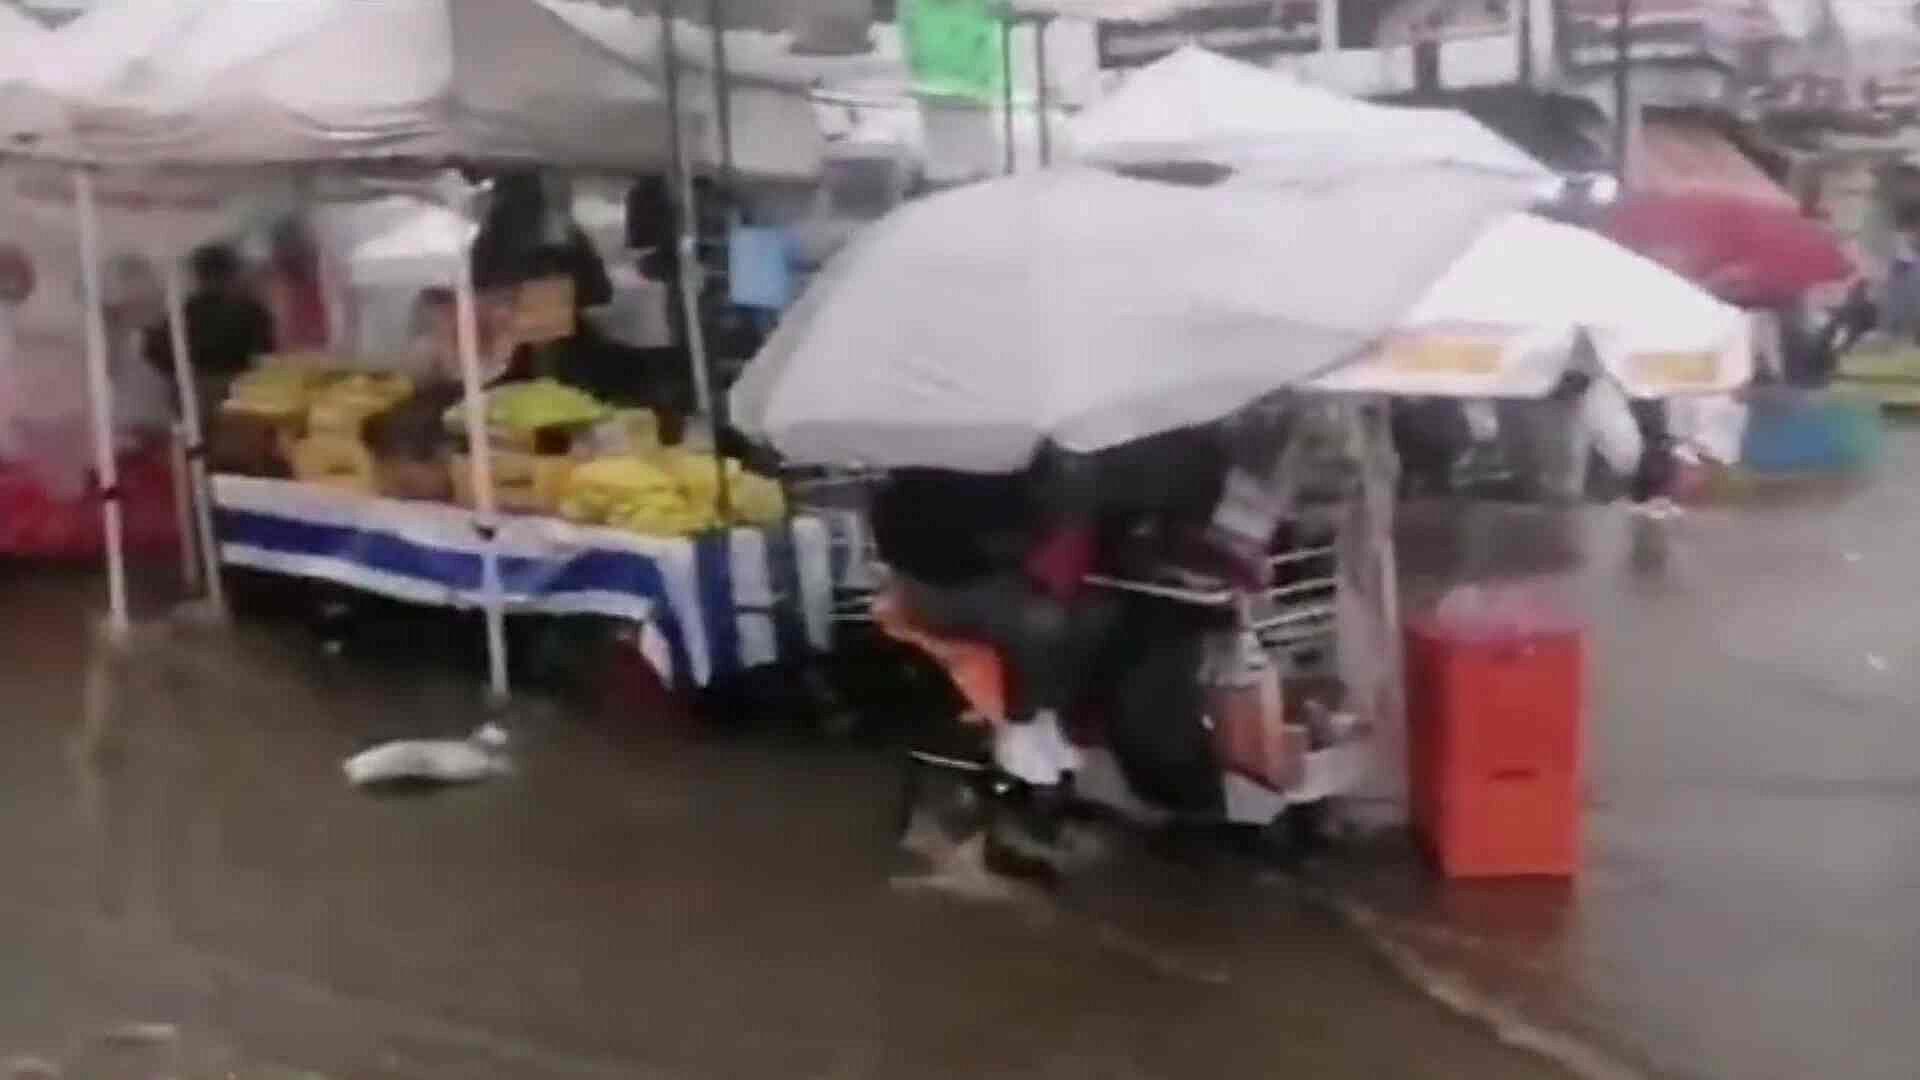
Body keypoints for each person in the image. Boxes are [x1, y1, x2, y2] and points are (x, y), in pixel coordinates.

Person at [871, 463, 1100, 789]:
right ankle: (1022, 724)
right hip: (940, 586)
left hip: (980, 578)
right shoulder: (910, 484)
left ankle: (1045, 716)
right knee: (1042, 621)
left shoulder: (1004, 469)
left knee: (1087, 614)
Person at [143, 244, 276, 418]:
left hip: (195, 395)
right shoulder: (250, 309)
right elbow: (266, 351)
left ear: (198, 275)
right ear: (231, 274)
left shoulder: (184, 312)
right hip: (242, 393)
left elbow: (155, 351)